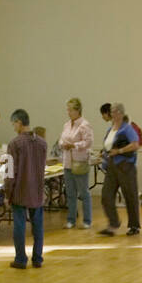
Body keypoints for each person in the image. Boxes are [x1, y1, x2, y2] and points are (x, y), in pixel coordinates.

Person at [4, 108, 47, 269]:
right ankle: (38, 258)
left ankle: (21, 259)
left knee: (19, 226)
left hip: (20, 190)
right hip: (37, 190)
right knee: (38, 227)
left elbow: (10, 172)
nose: (13, 127)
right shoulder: (42, 143)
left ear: (19, 123)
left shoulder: (14, 143)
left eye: (13, 124)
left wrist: (7, 192)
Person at [99, 102, 140, 236]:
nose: (113, 114)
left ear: (121, 113)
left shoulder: (127, 129)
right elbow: (108, 147)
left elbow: (135, 145)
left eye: (116, 111)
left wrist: (120, 151)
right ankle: (113, 223)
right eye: (112, 111)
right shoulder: (110, 130)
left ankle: (134, 226)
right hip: (112, 166)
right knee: (106, 195)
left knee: (130, 196)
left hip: (125, 166)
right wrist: (104, 154)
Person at [59, 97, 94, 229]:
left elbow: (88, 142)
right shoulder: (66, 125)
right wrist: (63, 144)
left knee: (84, 193)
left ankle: (87, 220)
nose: (68, 112)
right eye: (67, 110)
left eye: (70, 110)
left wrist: (74, 145)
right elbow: (61, 140)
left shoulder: (84, 125)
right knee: (70, 193)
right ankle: (71, 219)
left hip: (80, 162)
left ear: (78, 110)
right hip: (67, 163)